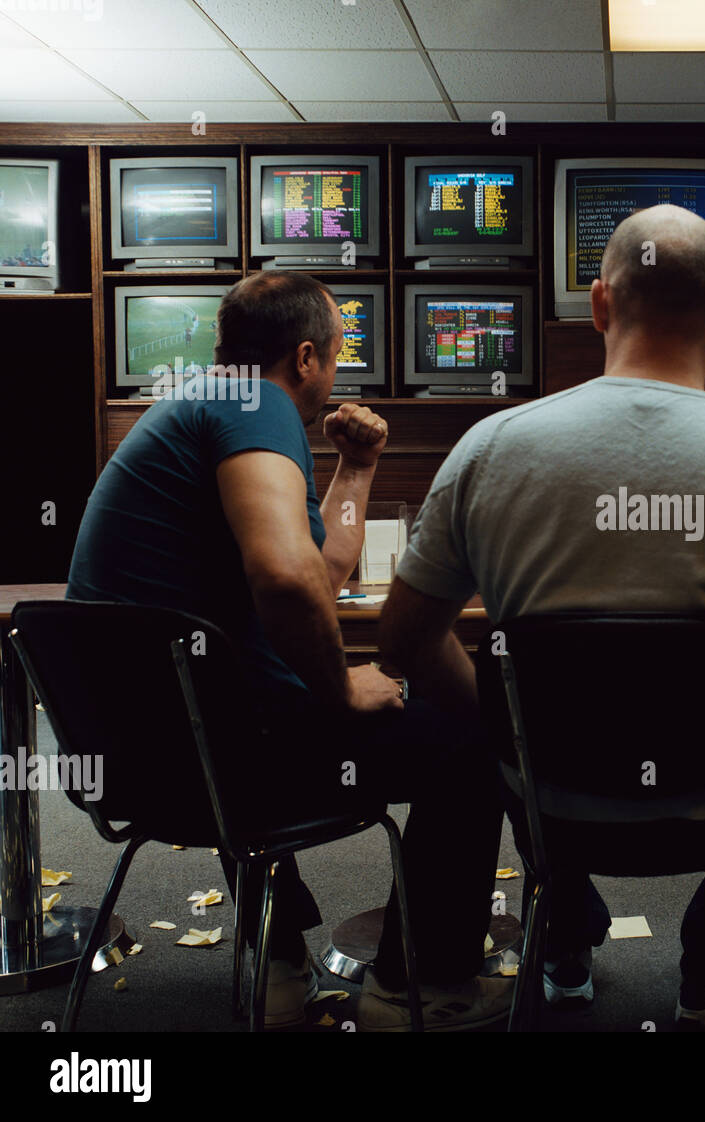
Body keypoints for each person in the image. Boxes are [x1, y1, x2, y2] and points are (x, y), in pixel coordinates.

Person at [379, 204, 705, 1029]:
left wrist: (500, 719)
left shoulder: (487, 451)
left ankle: (554, 940)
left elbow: (403, 643)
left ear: (598, 305)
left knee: (478, 734)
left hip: (550, 800)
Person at [67, 271, 511, 1031]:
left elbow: (317, 575)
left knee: (240, 705)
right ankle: (420, 987)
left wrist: (357, 468)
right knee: (471, 741)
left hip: (142, 759)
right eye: (336, 354)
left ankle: (276, 966)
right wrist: (341, 689)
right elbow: (283, 576)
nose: (335, 372)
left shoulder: (201, 405)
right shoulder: (256, 405)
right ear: (305, 357)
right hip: (215, 763)